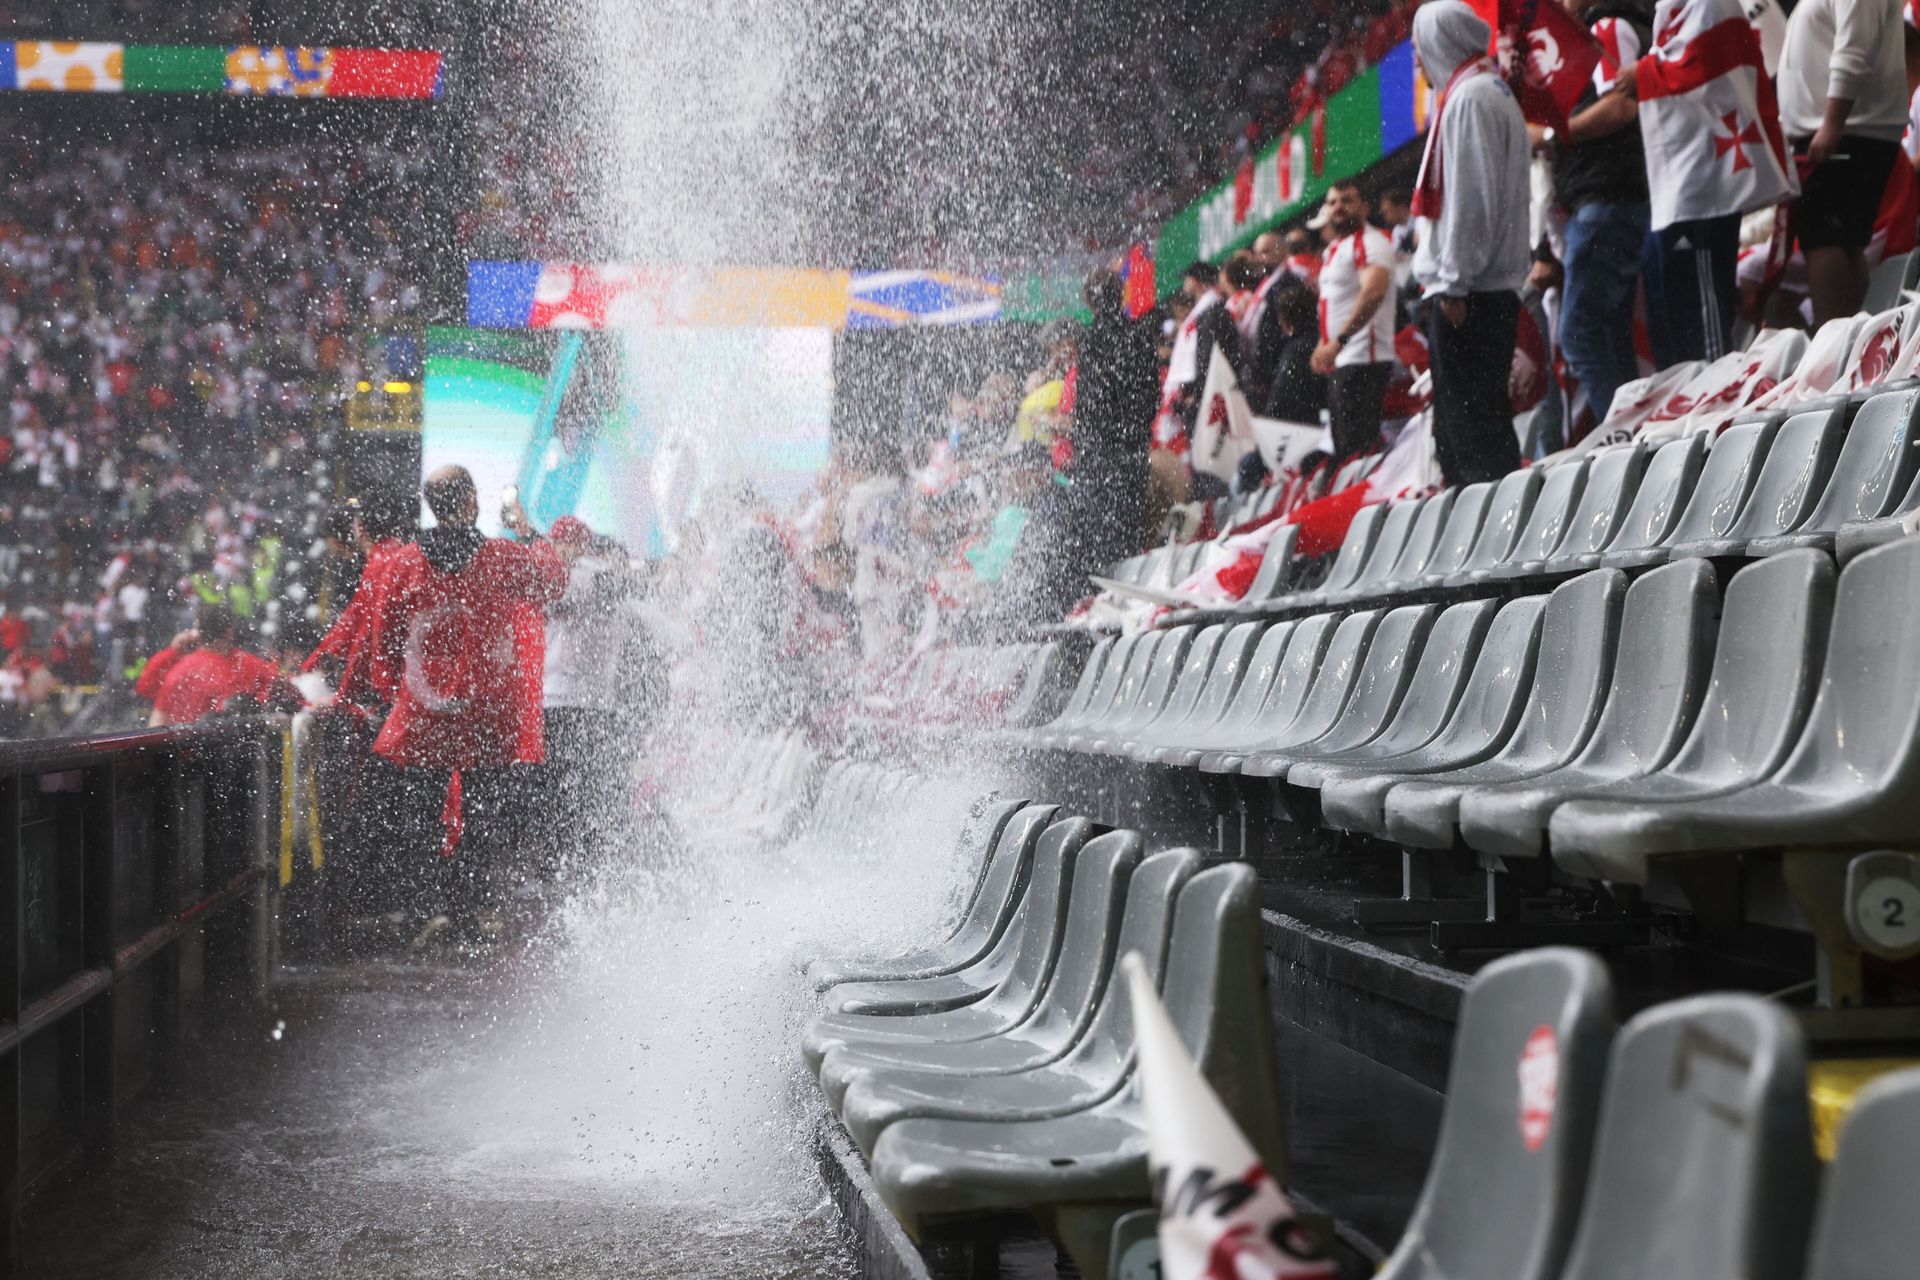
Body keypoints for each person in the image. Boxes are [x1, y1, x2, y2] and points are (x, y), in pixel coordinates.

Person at [361, 465, 567, 917]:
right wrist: (528, 531)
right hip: (487, 712)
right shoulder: (502, 557)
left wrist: (388, 689)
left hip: (424, 713)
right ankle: (465, 914)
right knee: (480, 818)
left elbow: (386, 637)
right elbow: (553, 581)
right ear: (472, 500)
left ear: (432, 505)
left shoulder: (404, 564)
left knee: (417, 817)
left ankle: (420, 911)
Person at [1410, 0, 1532, 485]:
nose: (1418, 61)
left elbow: (1470, 201)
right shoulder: (1486, 91)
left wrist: (1454, 283)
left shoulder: (1472, 99)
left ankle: (1498, 549)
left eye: (1421, 48)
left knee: (1472, 434)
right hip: (1481, 287)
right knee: (1474, 426)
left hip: (1471, 292)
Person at [1544, 0, 1656, 423]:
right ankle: (1636, 439)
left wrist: (1554, 135)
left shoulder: (1607, 27)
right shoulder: (1602, 29)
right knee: (1607, 333)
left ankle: (1624, 438)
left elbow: (1620, 107)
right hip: (1607, 199)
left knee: (1579, 334)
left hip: (1606, 200)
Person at [1778, 0, 1908, 324]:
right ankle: (1845, 347)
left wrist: (1832, 124)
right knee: (1841, 239)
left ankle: (1835, 347)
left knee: (1826, 238)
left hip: (1847, 129)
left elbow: (1855, 47)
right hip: (1844, 129)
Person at [537, 517, 656, 870]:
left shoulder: (568, 578)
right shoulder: (613, 581)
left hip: (558, 700)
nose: (554, 552)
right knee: (589, 788)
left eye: (557, 545)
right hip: (599, 704)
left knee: (557, 790)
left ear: (567, 544)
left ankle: (558, 864)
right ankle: (590, 865)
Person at [1068, 267, 1160, 575]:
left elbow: (1089, 407)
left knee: (1102, 547)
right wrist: (1135, 434)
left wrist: (1086, 451)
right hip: (1131, 454)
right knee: (1130, 537)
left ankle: (1109, 609)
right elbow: (1151, 396)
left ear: (1090, 303)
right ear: (1120, 295)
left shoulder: (1092, 341)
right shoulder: (1139, 334)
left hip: (1099, 461)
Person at [1311, 181, 1399, 463]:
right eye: (1333, 202)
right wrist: (1323, 344)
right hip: (1344, 359)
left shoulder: (1370, 242)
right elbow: (1333, 303)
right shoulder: (1336, 248)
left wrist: (1339, 341)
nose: (1338, 207)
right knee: (1346, 449)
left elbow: (1373, 292)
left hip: (1363, 359)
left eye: (1346, 200)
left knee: (1358, 452)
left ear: (1364, 208)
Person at [134, 602, 300, 726]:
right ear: (229, 631)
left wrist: (172, 652)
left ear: (198, 630)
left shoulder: (179, 670)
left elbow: (148, 696)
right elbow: (289, 692)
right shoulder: (248, 664)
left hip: (186, 758)